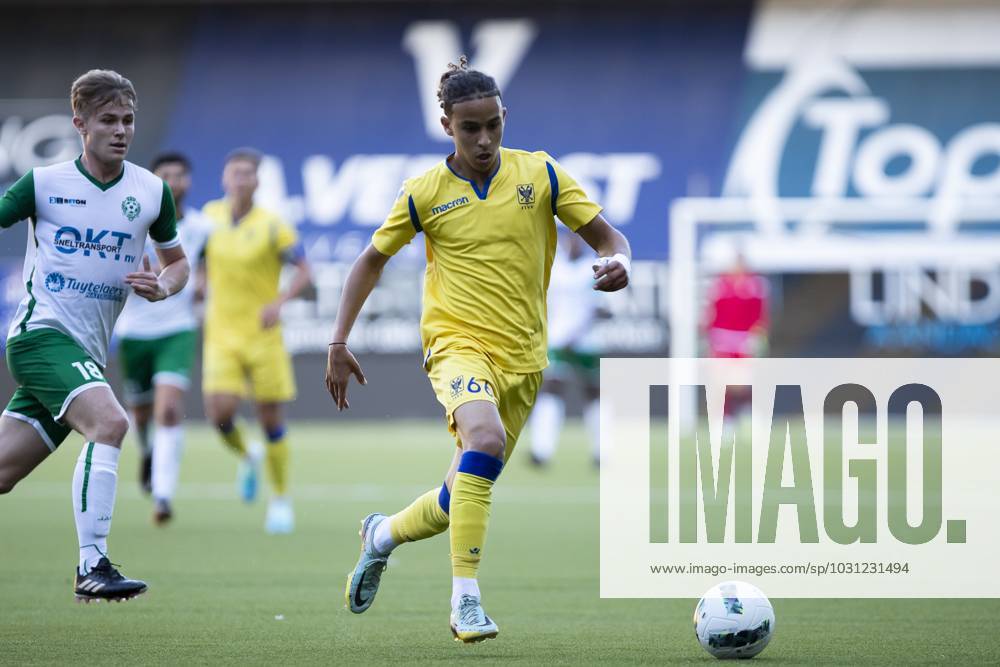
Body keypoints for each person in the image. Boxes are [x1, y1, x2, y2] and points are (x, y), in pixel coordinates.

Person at [326, 57, 630, 643]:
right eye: (470, 128)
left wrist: (621, 261)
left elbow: (608, 237)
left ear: (504, 117)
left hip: (525, 357)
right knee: (483, 441)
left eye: (493, 124)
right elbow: (370, 261)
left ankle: (381, 535)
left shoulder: (540, 174)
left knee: (461, 489)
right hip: (457, 344)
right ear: (447, 126)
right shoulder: (423, 192)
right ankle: (465, 600)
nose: (485, 138)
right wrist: (338, 340)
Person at [0, 70, 189, 601]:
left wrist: (163, 286)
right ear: (79, 123)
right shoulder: (42, 183)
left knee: (3, 473)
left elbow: (178, 264)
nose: (121, 130)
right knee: (109, 422)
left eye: (128, 120)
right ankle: (92, 565)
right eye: (108, 120)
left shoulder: (151, 192)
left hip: (84, 353)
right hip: (40, 338)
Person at [201, 148, 311, 534]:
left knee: (270, 418)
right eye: (235, 173)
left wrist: (279, 302)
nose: (241, 179)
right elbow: (194, 259)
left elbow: (303, 270)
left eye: (248, 174)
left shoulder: (273, 225)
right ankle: (248, 456)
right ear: (224, 178)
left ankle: (280, 500)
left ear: (258, 181)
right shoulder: (209, 218)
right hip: (221, 333)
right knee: (219, 414)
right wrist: (197, 286)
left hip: (263, 336)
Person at [115, 152, 211, 524]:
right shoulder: (133, 220)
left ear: (188, 181)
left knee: (168, 409)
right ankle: (147, 451)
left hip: (177, 329)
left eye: (180, 175)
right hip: (135, 331)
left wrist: (202, 285)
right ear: (154, 181)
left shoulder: (202, 226)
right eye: (165, 175)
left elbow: (204, 267)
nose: (174, 181)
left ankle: (163, 495)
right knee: (139, 412)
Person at [527, 231, 606, 468]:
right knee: (551, 389)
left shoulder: (594, 268)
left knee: (593, 393)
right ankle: (541, 451)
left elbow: (603, 309)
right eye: (569, 238)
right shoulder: (556, 268)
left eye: (578, 238)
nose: (573, 242)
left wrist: (578, 332)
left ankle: (602, 452)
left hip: (587, 342)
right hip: (559, 341)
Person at [702, 250, 769, 417]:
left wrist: (758, 336)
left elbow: (760, 315)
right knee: (720, 382)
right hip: (722, 339)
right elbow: (712, 312)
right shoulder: (721, 285)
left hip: (743, 339)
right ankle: (725, 417)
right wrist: (709, 337)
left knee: (743, 381)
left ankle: (748, 412)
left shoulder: (755, 286)